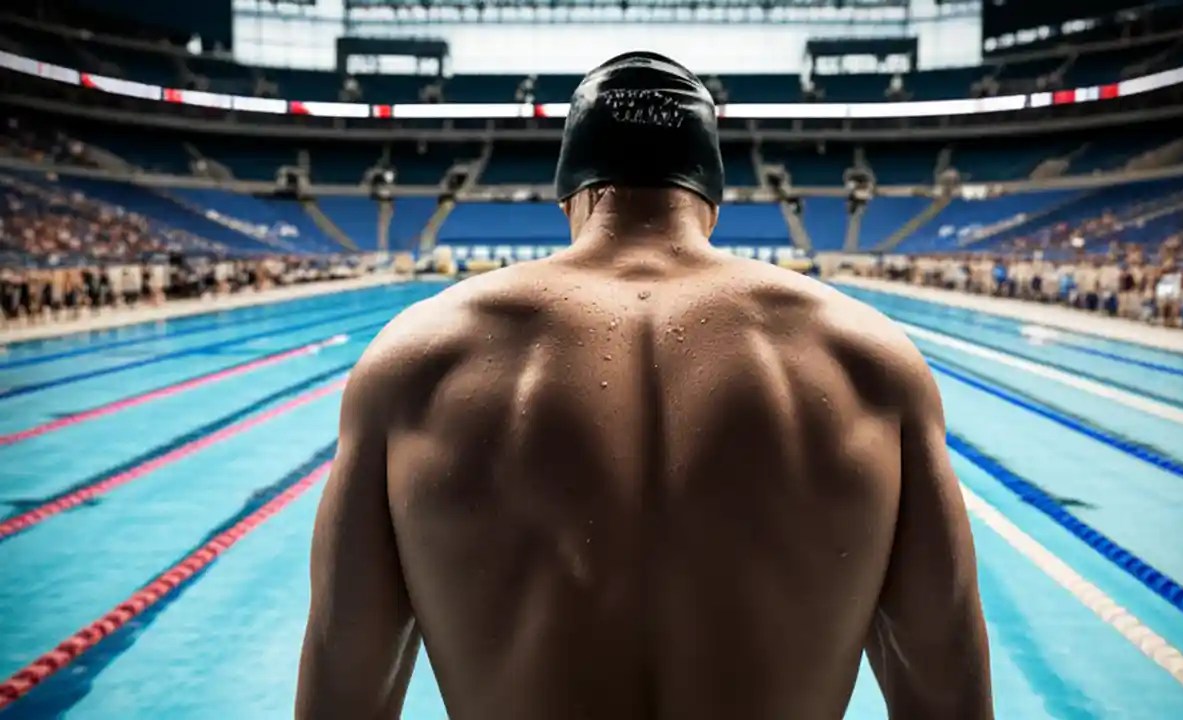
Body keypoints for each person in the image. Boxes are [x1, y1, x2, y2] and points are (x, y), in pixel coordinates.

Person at [296, 51, 992, 720]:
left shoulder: (419, 360)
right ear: (709, 200)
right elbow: (948, 698)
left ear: (574, 194)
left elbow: (342, 697)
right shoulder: (865, 360)